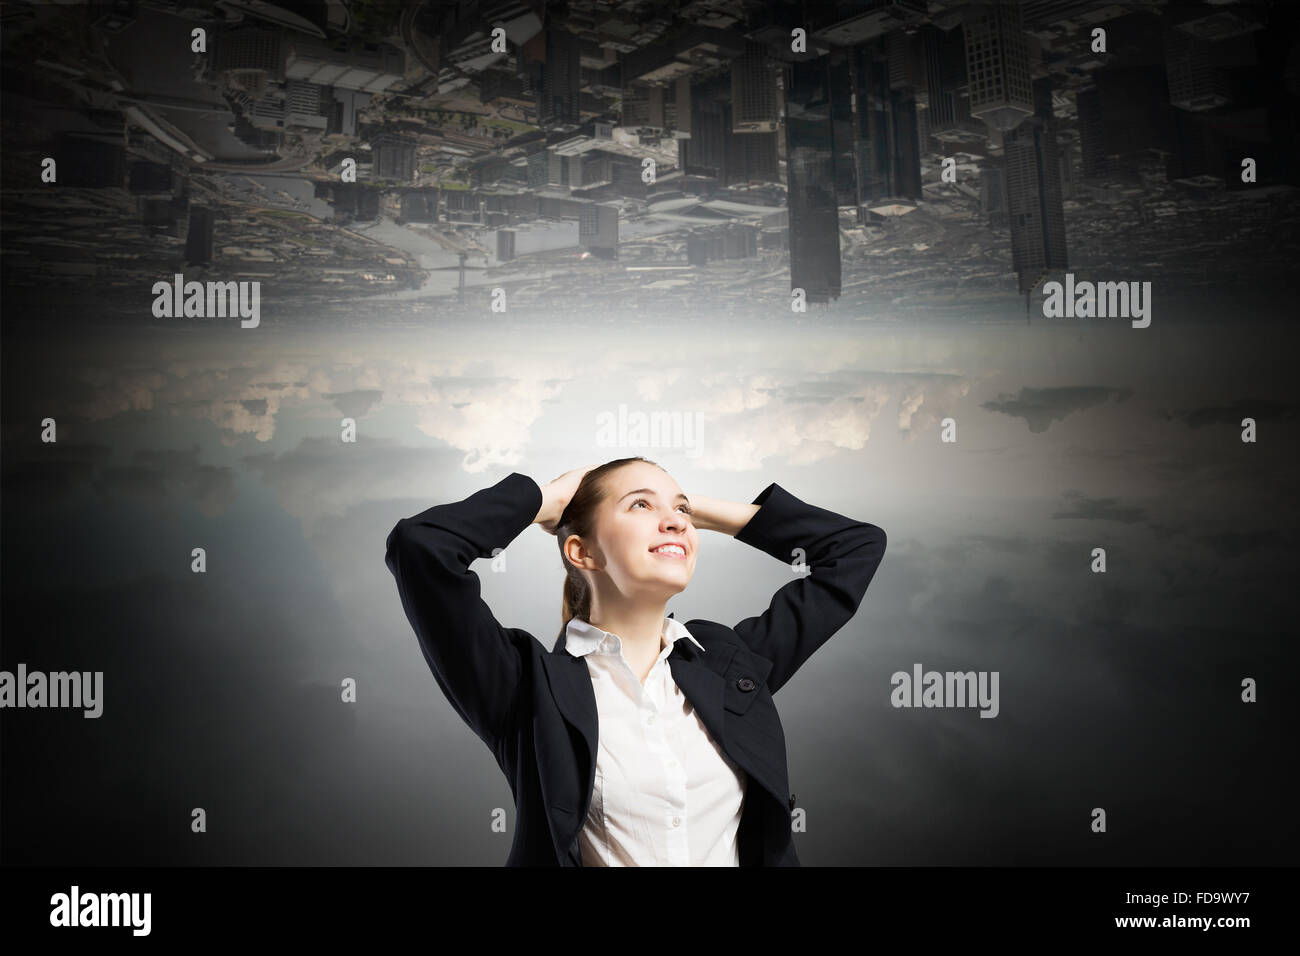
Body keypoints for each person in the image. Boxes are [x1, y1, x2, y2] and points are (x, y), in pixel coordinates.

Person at [384, 456, 887, 865]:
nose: (675, 519)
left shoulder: (729, 667)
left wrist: (689, 513)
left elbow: (854, 548)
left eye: (681, 509)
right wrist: (547, 499)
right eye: (639, 505)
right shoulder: (525, 687)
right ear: (582, 552)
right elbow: (422, 546)